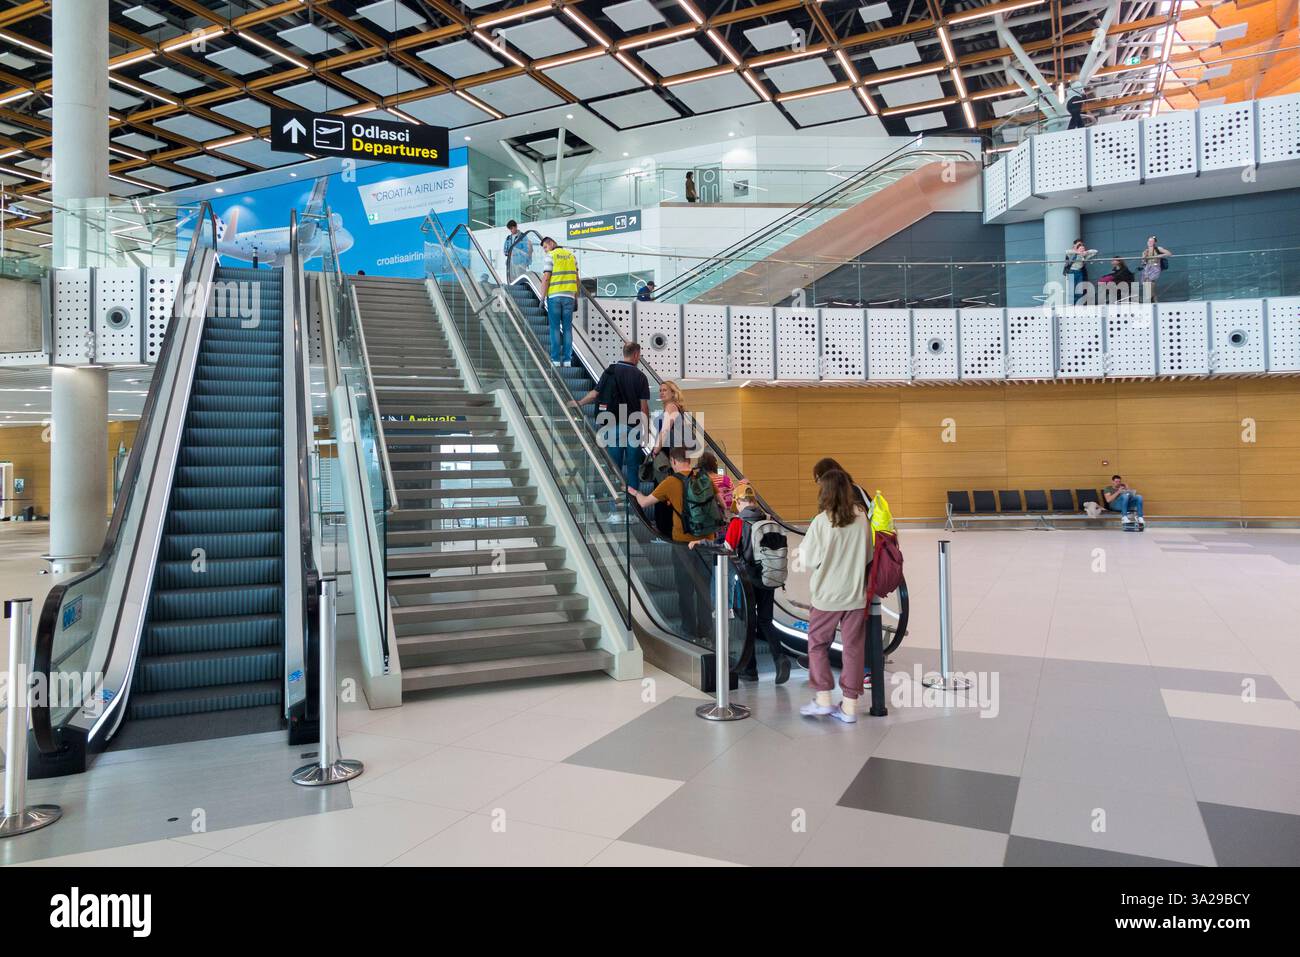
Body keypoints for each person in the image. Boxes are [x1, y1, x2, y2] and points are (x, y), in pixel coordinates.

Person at [799, 469, 870, 724]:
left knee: (817, 644)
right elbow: (869, 556)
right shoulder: (862, 517)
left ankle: (824, 699)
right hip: (855, 595)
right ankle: (849, 707)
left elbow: (808, 559)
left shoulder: (821, 521)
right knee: (853, 649)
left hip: (826, 596)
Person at [627, 447, 719, 638]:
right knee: (703, 589)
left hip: (682, 544)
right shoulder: (704, 479)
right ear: (689, 461)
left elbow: (644, 503)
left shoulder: (671, 482)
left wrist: (634, 492)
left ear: (673, 462)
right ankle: (707, 631)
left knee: (685, 590)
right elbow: (722, 505)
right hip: (707, 542)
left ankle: (689, 631)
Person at [725, 482, 791, 685]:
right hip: (769, 578)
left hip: (748, 580)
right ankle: (780, 658)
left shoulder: (738, 523)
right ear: (754, 501)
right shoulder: (768, 520)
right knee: (765, 621)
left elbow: (727, 548)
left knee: (747, 623)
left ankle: (749, 669)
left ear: (737, 501)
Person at [575, 341, 651, 503]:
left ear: (624, 352)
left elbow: (595, 394)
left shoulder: (610, 371)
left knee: (615, 470)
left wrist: (579, 403)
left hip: (612, 426)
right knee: (632, 468)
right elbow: (644, 408)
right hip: (633, 427)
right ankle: (633, 507)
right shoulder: (640, 377)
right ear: (636, 354)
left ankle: (614, 507)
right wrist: (646, 433)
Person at [540, 236, 578, 366]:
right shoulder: (571, 256)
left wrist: (542, 296)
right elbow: (577, 278)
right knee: (567, 329)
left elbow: (546, 278)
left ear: (551, 243)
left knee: (555, 328)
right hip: (569, 297)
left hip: (555, 296)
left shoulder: (551, 256)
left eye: (545, 247)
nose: (545, 250)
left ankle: (555, 360)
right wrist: (576, 296)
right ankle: (567, 360)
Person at [699, 450, 734, 517]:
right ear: (714, 465)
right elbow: (734, 499)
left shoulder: (698, 482)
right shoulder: (726, 480)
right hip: (726, 516)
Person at [1063, 239, 1097, 305]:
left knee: (1079, 288)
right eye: (1080, 247)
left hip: (1079, 272)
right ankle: (1072, 304)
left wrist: (1086, 252)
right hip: (1071, 272)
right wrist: (1077, 251)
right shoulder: (1073, 254)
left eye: (1083, 248)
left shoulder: (1084, 255)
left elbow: (1095, 251)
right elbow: (1067, 252)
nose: (1082, 249)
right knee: (1072, 289)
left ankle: (1078, 304)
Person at [1140, 235, 1172, 303]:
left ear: (1154, 242)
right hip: (1147, 268)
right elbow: (1143, 263)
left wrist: (1160, 255)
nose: (1150, 242)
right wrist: (1144, 257)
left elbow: (1169, 253)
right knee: (1147, 284)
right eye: (1149, 241)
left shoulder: (1158, 249)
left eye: (1152, 241)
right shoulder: (1145, 251)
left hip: (1155, 267)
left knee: (1150, 282)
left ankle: (1151, 299)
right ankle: (1153, 299)